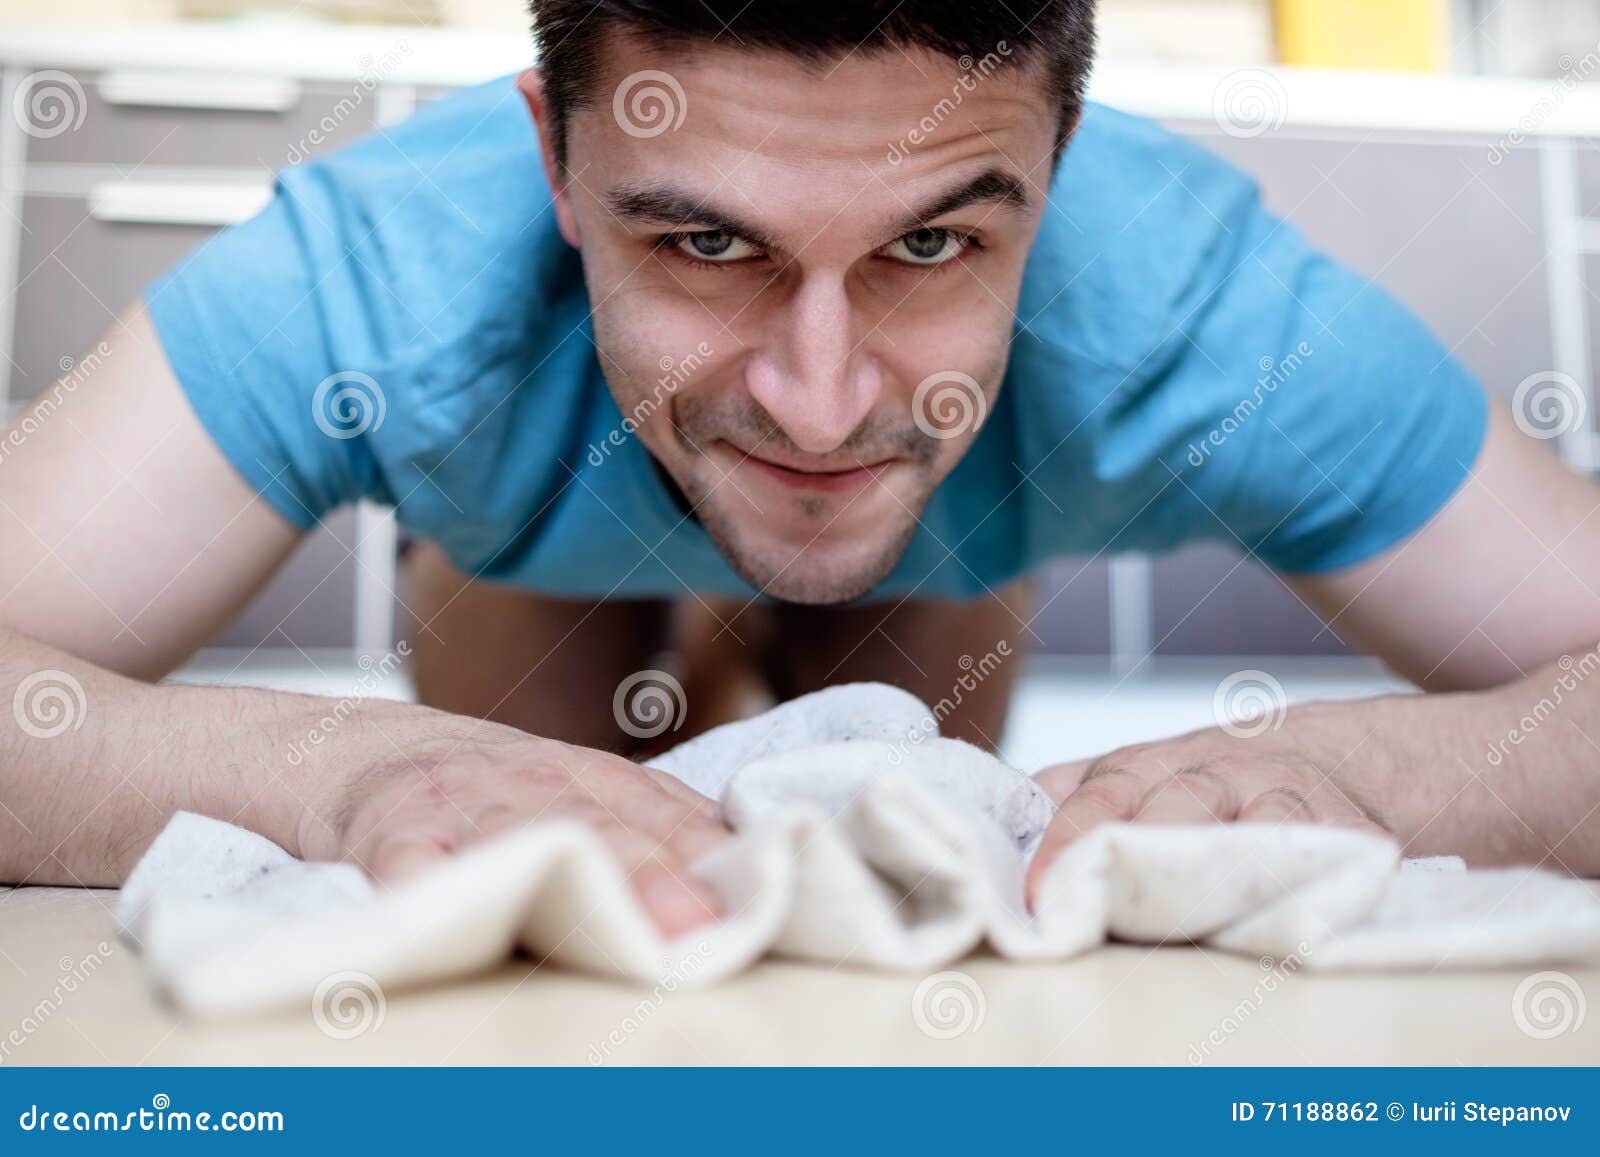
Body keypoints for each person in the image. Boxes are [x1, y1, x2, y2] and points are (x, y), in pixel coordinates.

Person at [3, 2, 1597, 935]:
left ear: (1059, 173)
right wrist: (326, 772)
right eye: (705, 241)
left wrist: (1368, 775)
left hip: (931, 572)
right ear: (555, 163)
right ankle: (651, 621)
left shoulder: (1199, 305)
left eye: (930, 243)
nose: (821, 403)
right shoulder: (373, 283)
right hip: (526, 560)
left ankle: (780, 630)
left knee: (915, 832)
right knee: (543, 861)